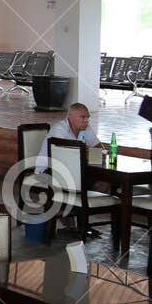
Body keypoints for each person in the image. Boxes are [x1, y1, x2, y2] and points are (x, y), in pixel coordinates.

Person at [37, 102, 101, 238]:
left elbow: (98, 147)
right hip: (49, 170)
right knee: (79, 182)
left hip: (73, 169)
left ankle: (79, 221)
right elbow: (61, 157)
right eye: (82, 117)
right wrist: (86, 153)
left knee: (103, 183)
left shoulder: (85, 128)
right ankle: (68, 218)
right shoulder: (59, 130)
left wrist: (91, 152)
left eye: (87, 117)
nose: (86, 120)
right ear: (71, 117)